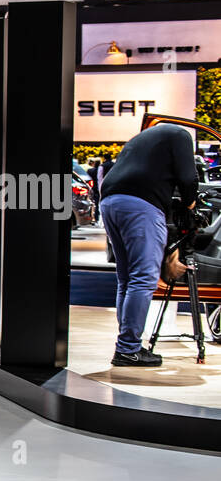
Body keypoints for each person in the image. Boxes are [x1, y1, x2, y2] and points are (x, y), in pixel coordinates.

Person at [99, 123, 197, 367]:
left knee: (127, 278)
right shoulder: (181, 135)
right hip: (141, 205)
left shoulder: (142, 139)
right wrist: (191, 203)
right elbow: (188, 177)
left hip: (110, 201)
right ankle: (128, 349)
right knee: (144, 278)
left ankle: (128, 345)